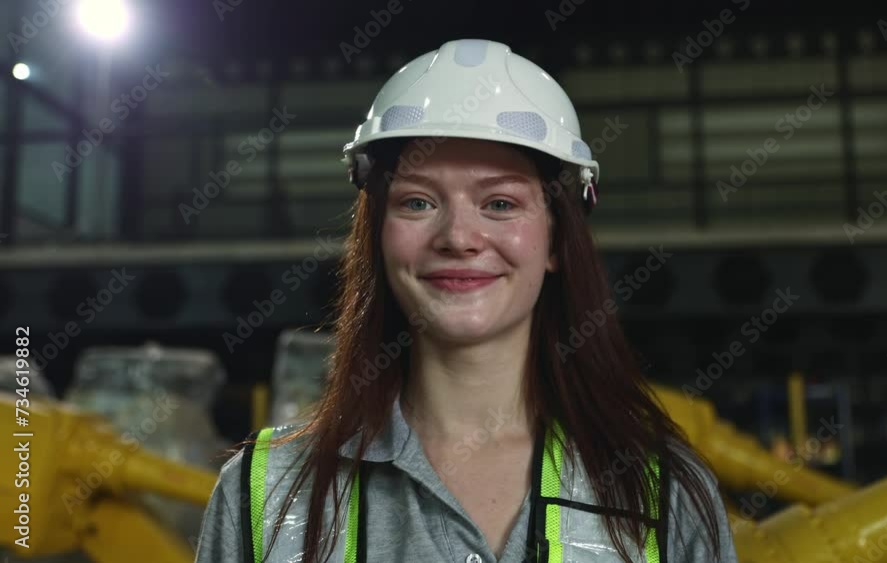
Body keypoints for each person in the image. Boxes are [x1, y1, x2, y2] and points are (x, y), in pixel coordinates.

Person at [194, 38, 738, 563]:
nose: (458, 236)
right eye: (418, 201)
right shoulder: (264, 496)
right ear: (378, 235)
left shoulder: (663, 497)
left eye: (500, 203)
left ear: (555, 241)